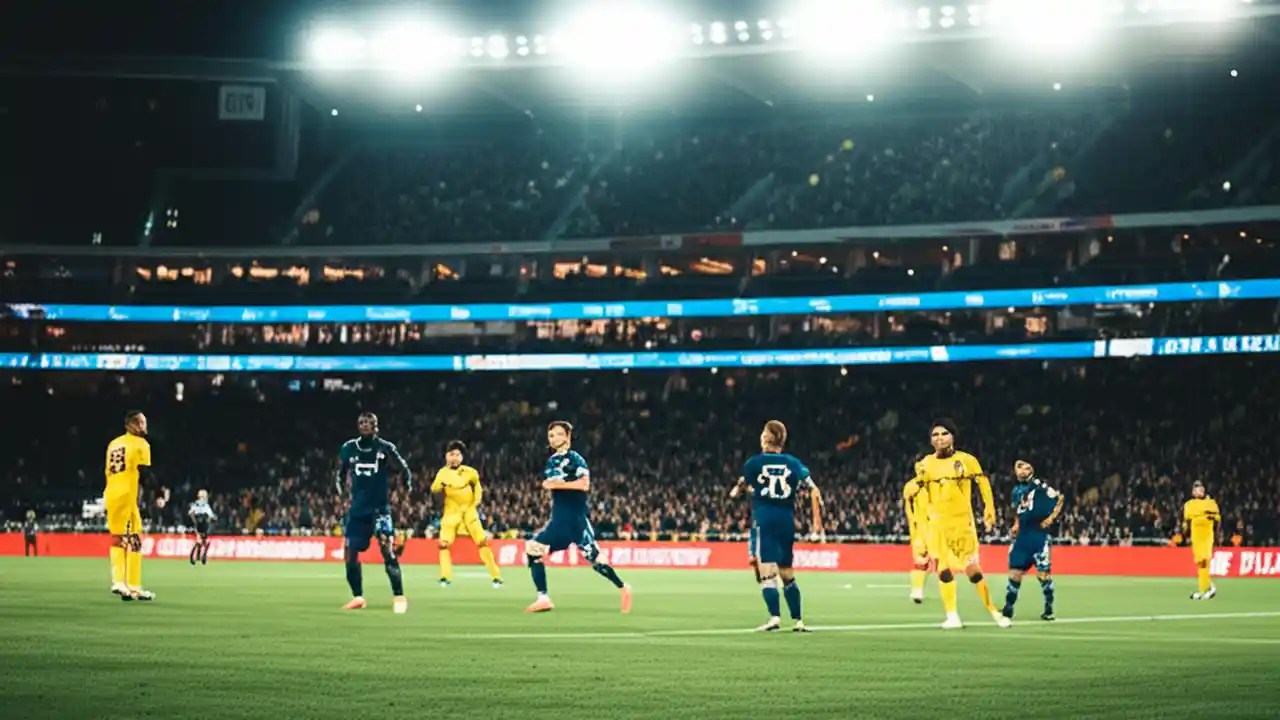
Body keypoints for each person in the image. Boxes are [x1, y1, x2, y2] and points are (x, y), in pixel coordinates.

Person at [904, 419, 1006, 629]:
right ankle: (952, 616)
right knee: (943, 569)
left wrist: (989, 508)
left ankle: (993, 611)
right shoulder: (926, 463)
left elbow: (982, 483)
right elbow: (919, 488)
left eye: (944, 433)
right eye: (935, 435)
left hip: (962, 524)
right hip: (938, 526)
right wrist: (914, 488)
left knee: (973, 571)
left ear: (953, 437)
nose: (939, 437)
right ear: (931, 441)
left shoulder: (966, 460)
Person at [524, 421, 631, 614]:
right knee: (533, 549)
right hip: (559, 521)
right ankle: (543, 598)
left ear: (567, 436)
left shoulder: (576, 459)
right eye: (550, 436)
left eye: (557, 434)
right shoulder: (552, 462)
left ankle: (623, 588)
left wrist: (556, 485)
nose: (553, 438)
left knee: (597, 561)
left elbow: (584, 485)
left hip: (575, 520)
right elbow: (552, 483)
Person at [730, 420, 823, 632]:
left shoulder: (754, 463)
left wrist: (737, 491)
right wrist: (817, 523)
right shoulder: (793, 462)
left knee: (767, 572)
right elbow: (812, 488)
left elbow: (741, 486)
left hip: (765, 519)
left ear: (765, 438)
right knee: (787, 572)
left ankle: (774, 618)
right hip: (786, 519)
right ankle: (798, 620)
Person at [336, 411, 413, 613]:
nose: (365, 425)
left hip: (379, 509)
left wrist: (407, 486)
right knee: (350, 552)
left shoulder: (385, 448)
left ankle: (399, 596)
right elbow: (340, 474)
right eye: (361, 422)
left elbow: (404, 469)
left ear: (376, 426)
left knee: (386, 549)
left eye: (369, 422)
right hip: (357, 511)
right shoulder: (349, 448)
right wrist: (341, 494)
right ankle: (358, 596)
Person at [430, 440, 503, 588]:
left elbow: (478, 490)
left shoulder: (471, 472)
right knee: (443, 545)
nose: (454, 458)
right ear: (446, 457)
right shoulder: (442, 474)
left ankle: (496, 576)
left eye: (457, 454)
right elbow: (434, 490)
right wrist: (439, 489)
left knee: (483, 543)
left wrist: (474, 506)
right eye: (451, 454)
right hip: (450, 514)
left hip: (470, 513)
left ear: (462, 457)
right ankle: (445, 577)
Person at [1001, 460, 1063, 623]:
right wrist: (1016, 523)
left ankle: (1048, 607)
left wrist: (1050, 519)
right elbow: (1017, 510)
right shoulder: (1016, 490)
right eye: (1018, 468)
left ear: (1032, 470)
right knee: (1014, 573)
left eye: (1026, 467)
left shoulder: (1040, 486)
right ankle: (1008, 608)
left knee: (1043, 576)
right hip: (1022, 537)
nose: (1021, 471)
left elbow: (1059, 498)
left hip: (1039, 537)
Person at [104, 410, 156, 601]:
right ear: (132, 425)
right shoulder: (141, 444)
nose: (144, 426)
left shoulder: (114, 444)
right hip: (127, 495)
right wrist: (156, 495)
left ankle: (128, 586)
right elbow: (146, 475)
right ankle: (123, 583)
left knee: (126, 538)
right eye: (141, 423)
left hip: (112, 493)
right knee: (127, 539)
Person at [1179, 481, 1221, 600]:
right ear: (1193, 492)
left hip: (1207, 534)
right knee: (1200, 562)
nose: (1200, 490)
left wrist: (1217, 534)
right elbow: (1186, 521)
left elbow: (1217, 520)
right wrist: (1184, 534)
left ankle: (1204, 590)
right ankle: (1207, 587)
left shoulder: (1211, 503)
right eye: (1197, 488)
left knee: (1204, 560)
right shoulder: (1189, 505)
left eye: (1202, 488)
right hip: (1196, 535)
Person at [904, 460, 931, 604]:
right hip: (920, 527)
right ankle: (917, 590)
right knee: (920, 559)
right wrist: (913, 522)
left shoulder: (934, 484)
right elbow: (908, 505)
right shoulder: (911, 486)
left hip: (936, 526)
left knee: (936, 562)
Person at [188, 489, 216, 566]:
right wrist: (211, 519)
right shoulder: (206, 505)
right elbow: (211, 515)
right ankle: (203, 556)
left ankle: (196, 555)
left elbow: (191, 513)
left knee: (198, 538)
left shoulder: (195, 504)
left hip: (197, 522)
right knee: (205, 541)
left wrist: (194, 521)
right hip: (204, 522)